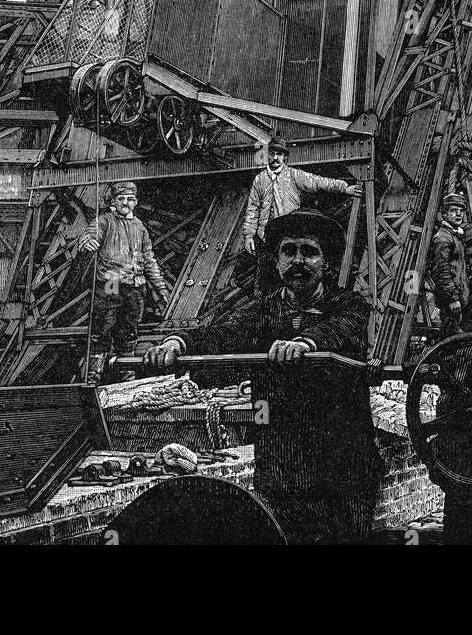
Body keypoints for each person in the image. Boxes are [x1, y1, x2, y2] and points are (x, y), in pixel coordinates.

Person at [146, 210, 383, 545]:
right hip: (282, 467)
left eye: (309, 252)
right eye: (289, 251)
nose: (298, 260)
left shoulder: (350, 305)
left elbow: (338, 329)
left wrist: (305, 343)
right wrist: (177, 342)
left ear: (326, 264)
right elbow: (222, 334)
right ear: (276, 262)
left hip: (342, 469)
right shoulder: (260, 311)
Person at [77, 181, 169, 383]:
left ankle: (127, 374)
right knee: (103, 327)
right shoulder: (104, 221)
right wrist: (88, 241)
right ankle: (93, 375)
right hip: (112, 282)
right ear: (113, 201)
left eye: (129, 199)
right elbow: (89, 235)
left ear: (135, 202)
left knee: (129, 331)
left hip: (135, 285)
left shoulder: (140, 227)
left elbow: (149, 259)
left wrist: (160, 286)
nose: (125, 203)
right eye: (121, 199)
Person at [243, 139, 361, 295]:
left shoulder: (293, 175)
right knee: (265, 282)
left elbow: (318, 182)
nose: (276, 158)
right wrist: (249, 235)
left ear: (285, 157)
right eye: (272, 154)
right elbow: (253, 208)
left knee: (298, 275)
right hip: (268, 238)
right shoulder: (260, 179)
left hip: (291, 232)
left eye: (280, 154)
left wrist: (345, 188)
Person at [430, 192, 472, 337]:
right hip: (452, 304)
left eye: (461, 211)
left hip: (463, 300)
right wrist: (453, 298)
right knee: (453, 341)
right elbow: (441, 271)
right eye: (453, 210)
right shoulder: (443, 238)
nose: (458, 214)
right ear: (444, 214)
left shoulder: (455, 236)